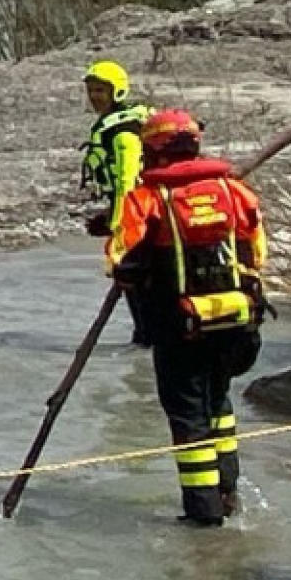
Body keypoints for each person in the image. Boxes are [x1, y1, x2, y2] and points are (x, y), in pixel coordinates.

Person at [105, 109, 266, 525]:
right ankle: (229, 495)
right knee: (219, 406)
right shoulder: (234, 191)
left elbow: (120, 261)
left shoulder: (145, 199)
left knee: (189, 418)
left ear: (152, 150)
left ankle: (203, 515)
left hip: (180, 329)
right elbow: (258, 254)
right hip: (237, 325)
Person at [79, 60, 150, 240]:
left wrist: (118, 225)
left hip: (140, 208)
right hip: (131, 204)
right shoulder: (110, 125)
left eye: (100, 91)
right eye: (91, 91)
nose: (94, 96)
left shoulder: (123, 131)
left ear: (117, 91)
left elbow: (127, 181)